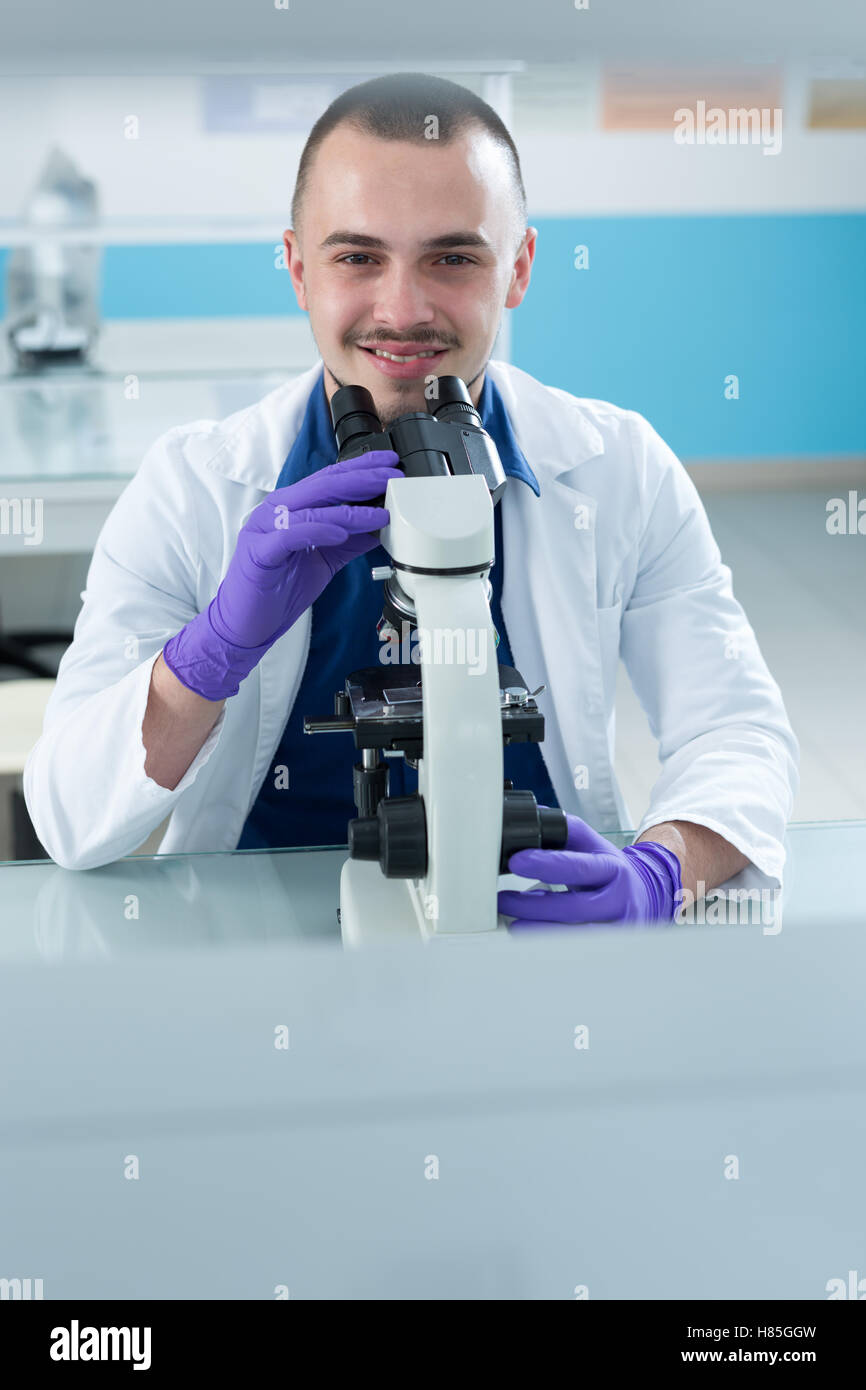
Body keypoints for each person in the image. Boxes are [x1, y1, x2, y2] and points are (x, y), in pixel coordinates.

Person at [24, 74, 798, 927]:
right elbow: (67, 818)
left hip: (528, 926)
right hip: (251, 949)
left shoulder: (618, 472)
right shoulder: (191, 488)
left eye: (453, 258)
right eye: (357, 256)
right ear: (297, 268)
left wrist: (662, 870)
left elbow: (738, 734)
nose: (402, 309)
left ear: (519, 269)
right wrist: (208, 655)